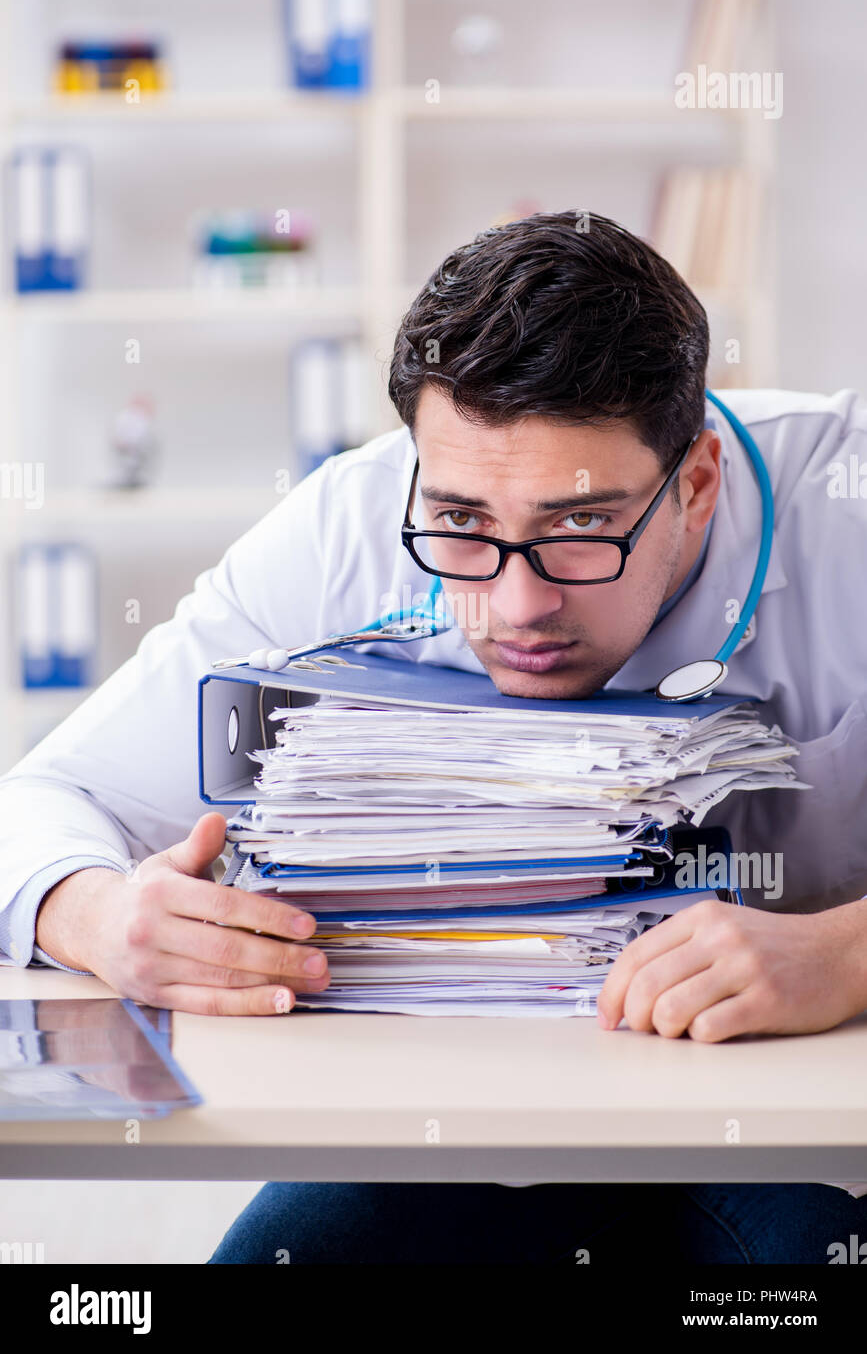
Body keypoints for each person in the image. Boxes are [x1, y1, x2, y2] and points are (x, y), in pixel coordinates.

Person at [1, 212, 865, 1263]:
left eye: (580, 528)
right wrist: (94, 912)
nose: (514, 604)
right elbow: (41, 798)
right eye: (462, 524)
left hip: (800, 1134)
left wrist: (846, 950)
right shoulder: (348, 528)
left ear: (696, 485)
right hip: (467, 1122)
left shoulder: (845, 506)